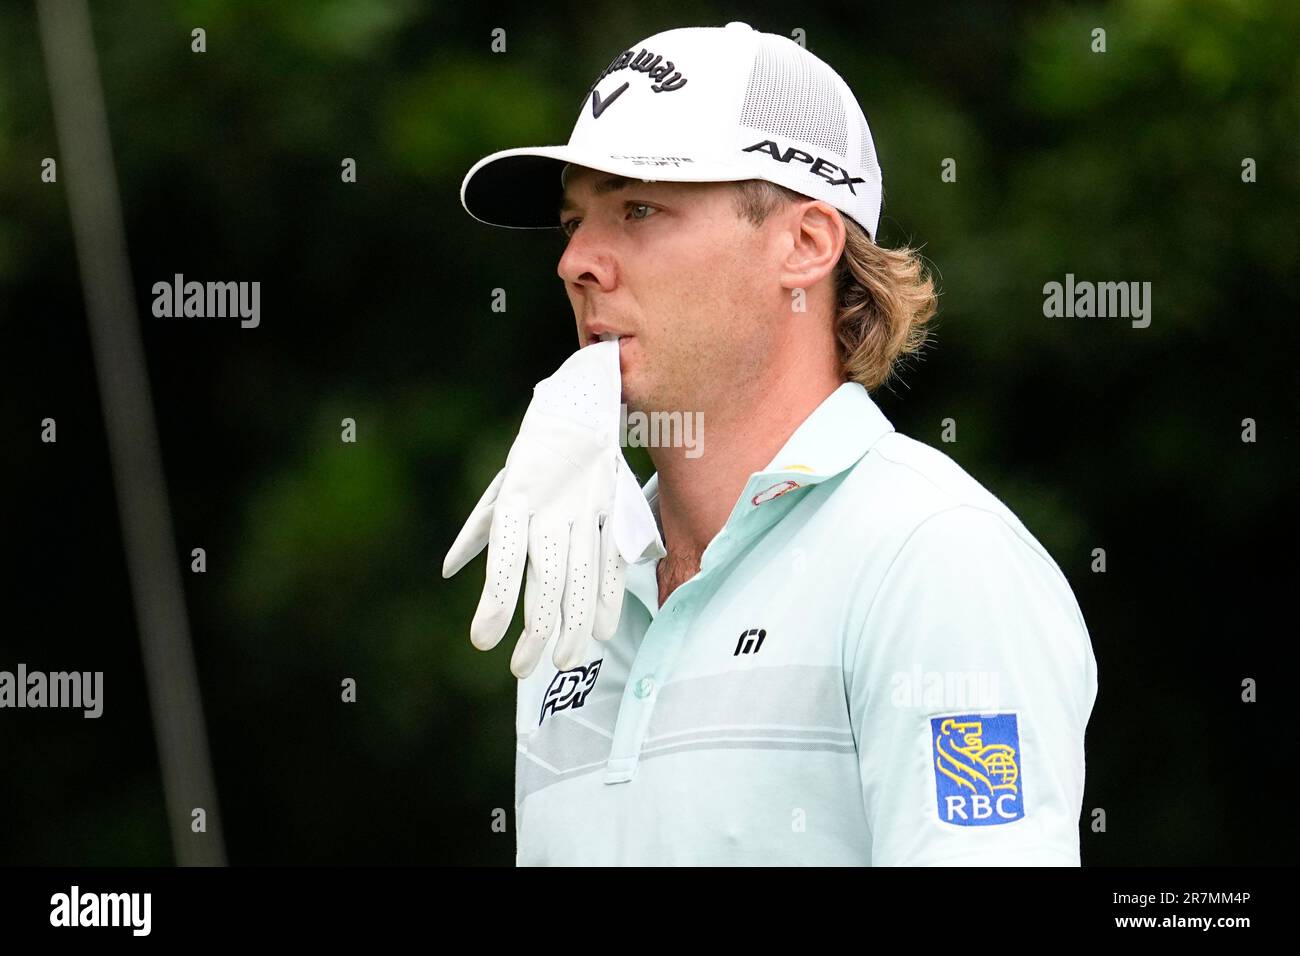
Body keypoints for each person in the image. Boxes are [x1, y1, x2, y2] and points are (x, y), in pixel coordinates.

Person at [449, 21, 1099, 865]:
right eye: (574, 220)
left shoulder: (934, 560)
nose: (576, 259)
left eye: (639, 207)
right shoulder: (585, 591)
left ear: (804, 243)